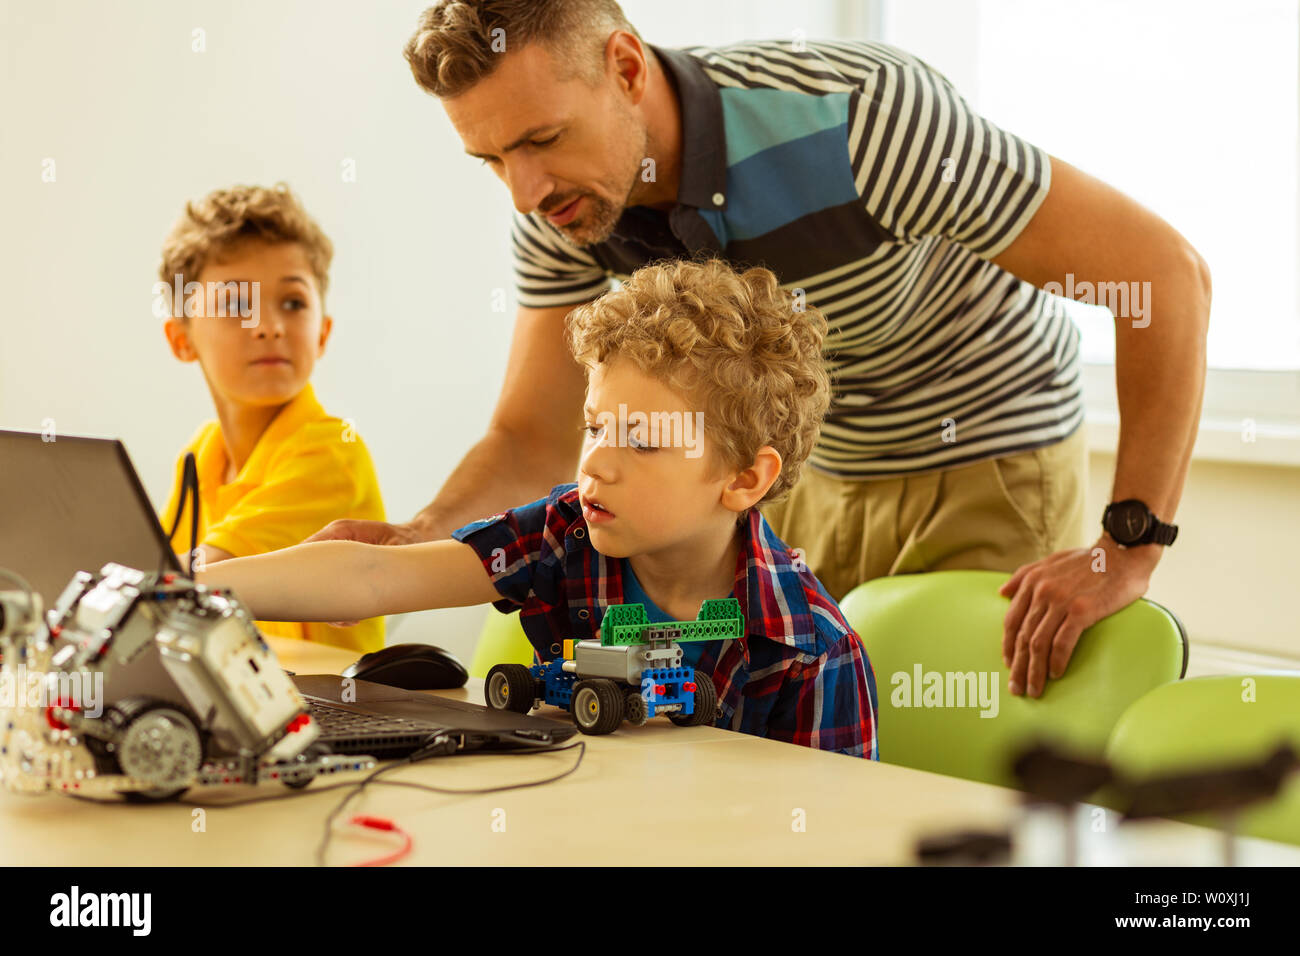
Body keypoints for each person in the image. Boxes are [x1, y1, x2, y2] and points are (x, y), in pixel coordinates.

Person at [314, 1, 1211, 700]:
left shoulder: (861, 118)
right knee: (793, 728)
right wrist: (419, 536)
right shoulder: (565, 208)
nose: (524, 191)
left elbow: (1161, 277)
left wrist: (1128, 545)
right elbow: (529, 438)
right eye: (492, 158)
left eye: (542, 139)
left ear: (624, 66)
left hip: (980, 442)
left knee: (951, 755)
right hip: (802, 466)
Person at [198, 259, 879, 758]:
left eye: (641, 440)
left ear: (741, 477)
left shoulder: (811, 650)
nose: (597, 463)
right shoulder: (567, 534)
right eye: (596, 427)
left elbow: (835, 831)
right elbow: (375, 576)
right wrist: (183, 591)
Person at [159, 183, 387, 654]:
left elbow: (189, 578)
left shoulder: (330, 451)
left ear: (322, 333)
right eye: (235, 305)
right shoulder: (200, 454)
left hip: (325, 705)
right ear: (182, 339)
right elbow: (162, 574)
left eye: (293, 303)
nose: (269, 325)